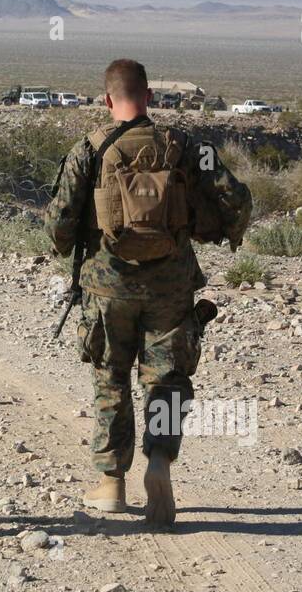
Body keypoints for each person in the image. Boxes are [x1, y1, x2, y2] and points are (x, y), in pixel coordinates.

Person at [45, 59, 250, 526]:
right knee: (168, 379)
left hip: (106, 288)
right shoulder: (185, 147)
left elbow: (58, 223)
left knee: (110, 379)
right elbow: (235, 198)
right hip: (171, 288)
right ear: (150, 97)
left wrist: (71, 250)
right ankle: (160, 460)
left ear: (107, 100)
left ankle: (111, 484)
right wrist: (223, 234)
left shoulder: (90, 149)